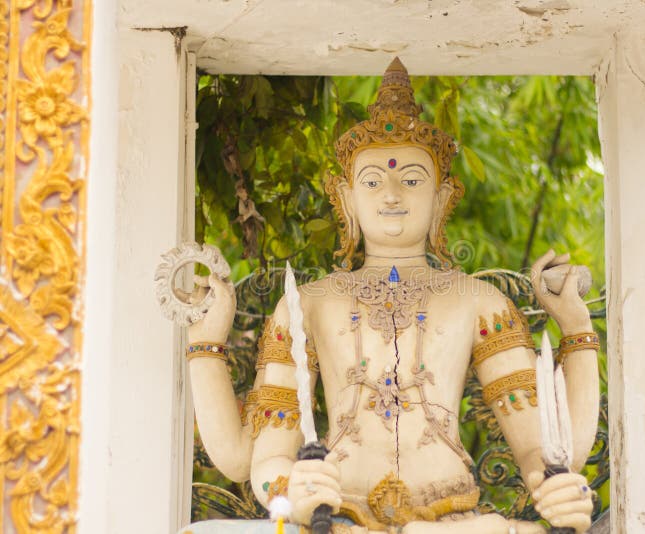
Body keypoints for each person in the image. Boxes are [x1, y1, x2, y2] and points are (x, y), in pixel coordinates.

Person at [184, 58, 599, 534]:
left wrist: (576, 331)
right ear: (346, 200)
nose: (392, 194)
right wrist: (292, 489)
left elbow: (543, 451)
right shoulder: (309, 304)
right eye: (373, 181)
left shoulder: (478, 302)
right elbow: (260, 461)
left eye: (413, 180)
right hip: (338, 520)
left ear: (442, 198)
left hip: (451, 520)